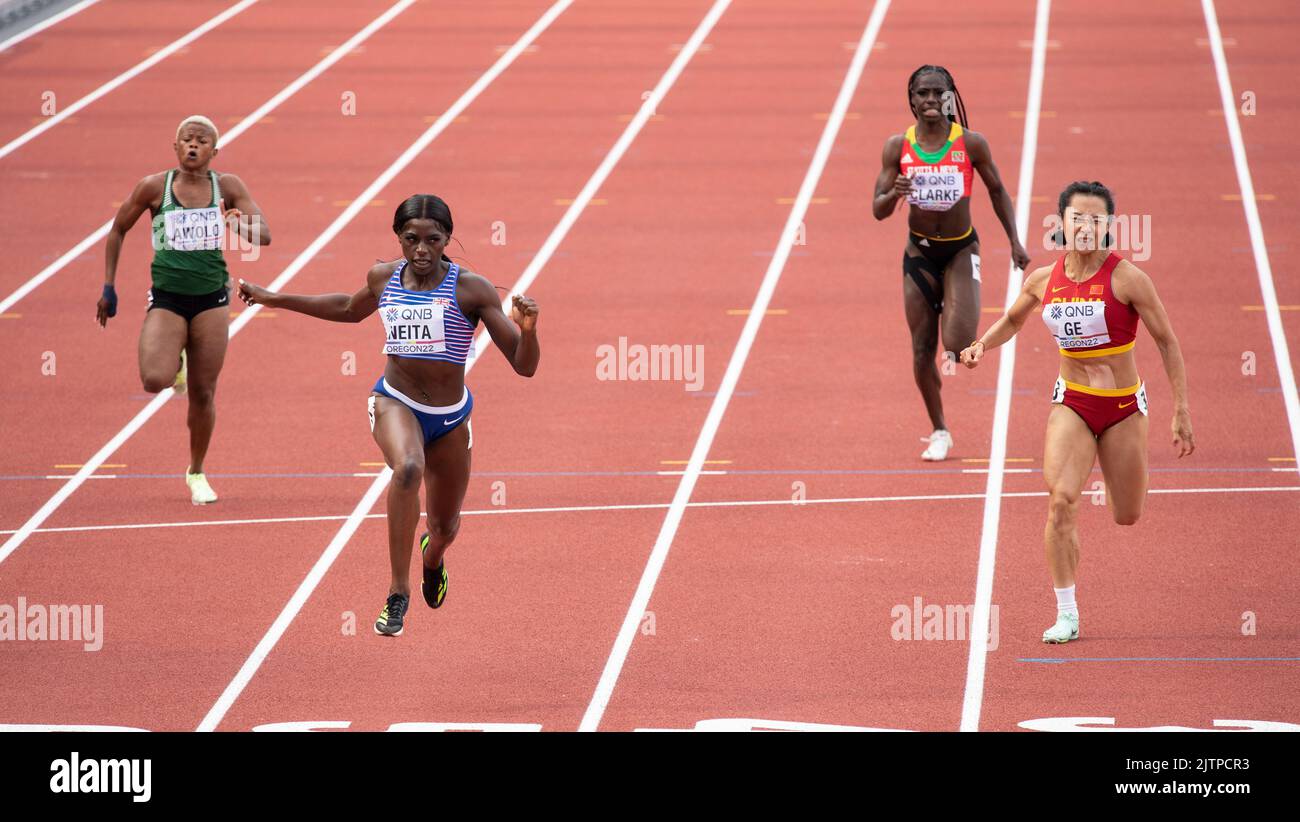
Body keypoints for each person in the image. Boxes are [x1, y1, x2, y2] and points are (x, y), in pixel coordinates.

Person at [237, 194, 539, 637]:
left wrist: (529, 331)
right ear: (398, 238)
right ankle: (398, 595)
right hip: (394, 400)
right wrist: (274, 298)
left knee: (445, 527)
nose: (421, 249)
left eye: (432, 240)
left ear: (447, 239)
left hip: (450, 417)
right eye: (410, 239)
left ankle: (432, 558)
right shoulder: (384, 278)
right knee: (408, 468)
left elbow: (524, 364)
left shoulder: (470, 289)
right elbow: (345, 308)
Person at [960, 180, 1194, 643]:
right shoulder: (1044, 279)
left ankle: (1114, 470)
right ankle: (1067, 612)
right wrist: (981, 345)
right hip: (1072, 403)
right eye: (1077, 218)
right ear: (1060, 223)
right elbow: (1013, 318)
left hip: (1124, 407)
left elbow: (1167, 340)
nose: (1085, 226)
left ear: (1108, 226)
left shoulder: (1128, 278)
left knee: (1127, 515)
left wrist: (1181, 408)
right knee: (1061, 501)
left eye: (1095, 219)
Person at [99, 115, 271, 504]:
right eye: (187, 140)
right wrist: (108, 286)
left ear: (215, 151)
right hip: (168, 298)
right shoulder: (152, 188)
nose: (193, 145)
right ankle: (175, 360)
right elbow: (117, 229)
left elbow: (265, 234)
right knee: (154, 379)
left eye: (202, 140)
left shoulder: (226, 186)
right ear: (176, 147)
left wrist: (238, 226)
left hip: (211, 299)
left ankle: (196, 471)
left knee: (203, 392)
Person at [873, 65, 1031, 460]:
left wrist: (1014, 241)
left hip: (961, 249)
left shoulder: (971, 143)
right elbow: (877, 210)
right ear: (911, 99)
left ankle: (954, 313)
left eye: (937, 93)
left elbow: (997, 190)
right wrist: (895, 193)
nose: (929, 100)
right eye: (922, 93)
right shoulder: (898, 146)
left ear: (949, 96)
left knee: (959, 346)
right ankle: (939, 429)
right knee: (922, 348)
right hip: (919, 255)